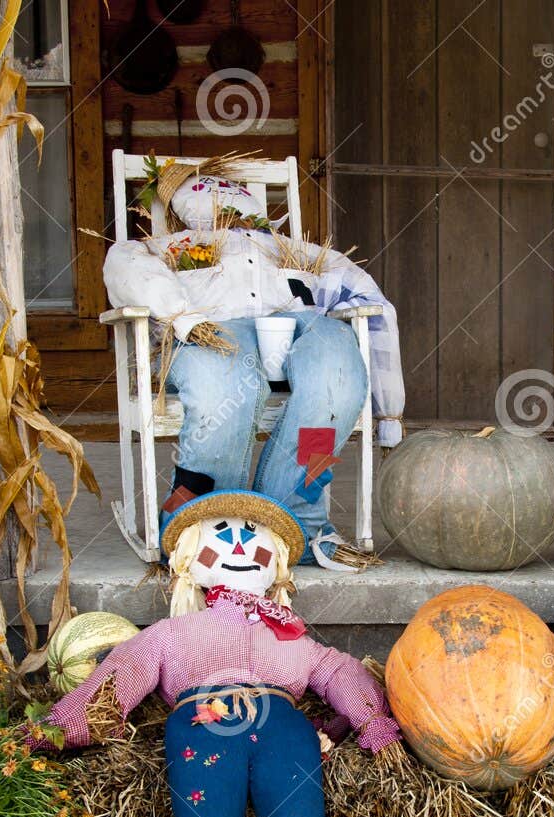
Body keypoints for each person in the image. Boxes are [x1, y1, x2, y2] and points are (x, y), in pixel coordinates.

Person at [37, 489, 405, 817]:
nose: (238, 546)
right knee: (207, 810)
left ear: (276, 562)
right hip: (202, 725)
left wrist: (370, 720)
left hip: (280, 724)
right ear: (191, 560)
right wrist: (61, 728)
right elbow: (123, 673)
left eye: (252, 539)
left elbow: (339, 672)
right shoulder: (172, 635)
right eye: (223, 537)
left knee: (294, 798)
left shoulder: (292, 636)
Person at [104, 157, 405, 570]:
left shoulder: (296, 252)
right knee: (224, 383)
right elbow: (125, 266)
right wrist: (184, 317)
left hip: (299, 325)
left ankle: (295, 515)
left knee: (336, 379)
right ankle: (202, 515)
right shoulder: (170, 248)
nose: (227, 207)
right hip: (213, 328)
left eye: (232, 198)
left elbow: (372, 304)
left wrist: (389, 412)